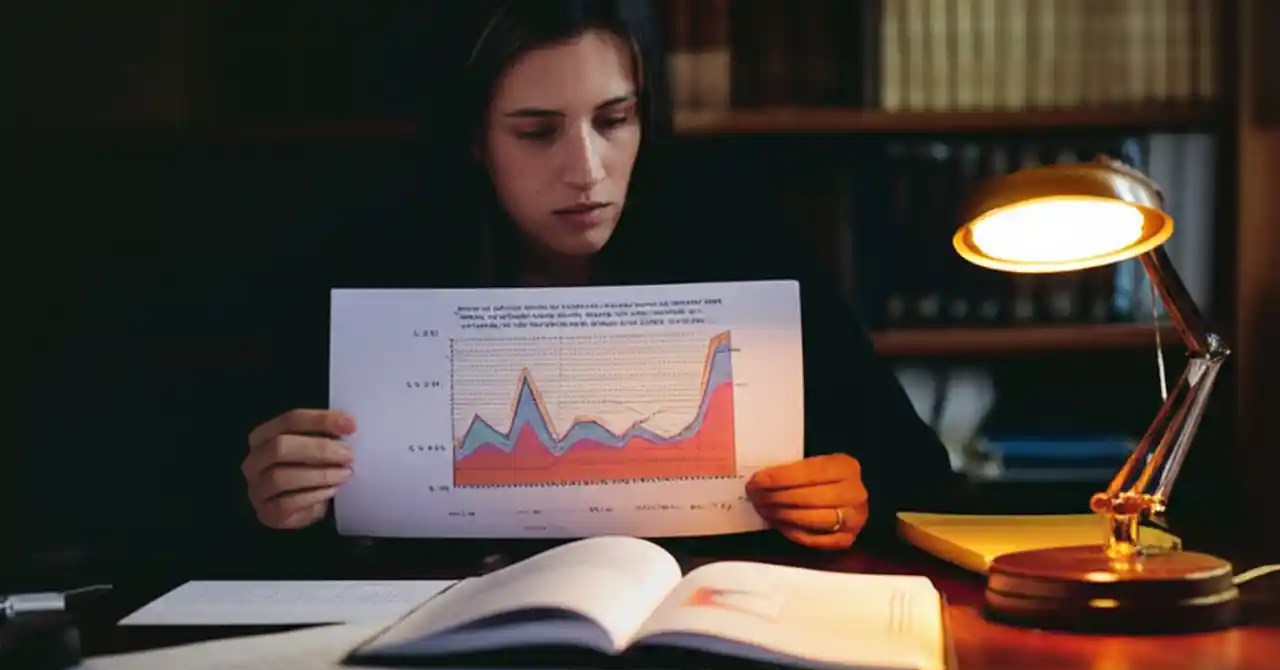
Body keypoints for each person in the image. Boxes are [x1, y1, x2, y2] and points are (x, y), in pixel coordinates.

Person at [239, 0, 959, 551]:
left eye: (614, 121)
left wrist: (855, 499)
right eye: (536, 132)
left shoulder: (742, 242)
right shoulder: (374, 268)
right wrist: (276, 500)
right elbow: (243, 513)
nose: (586, 172)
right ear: (473, 140)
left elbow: (923, 483)